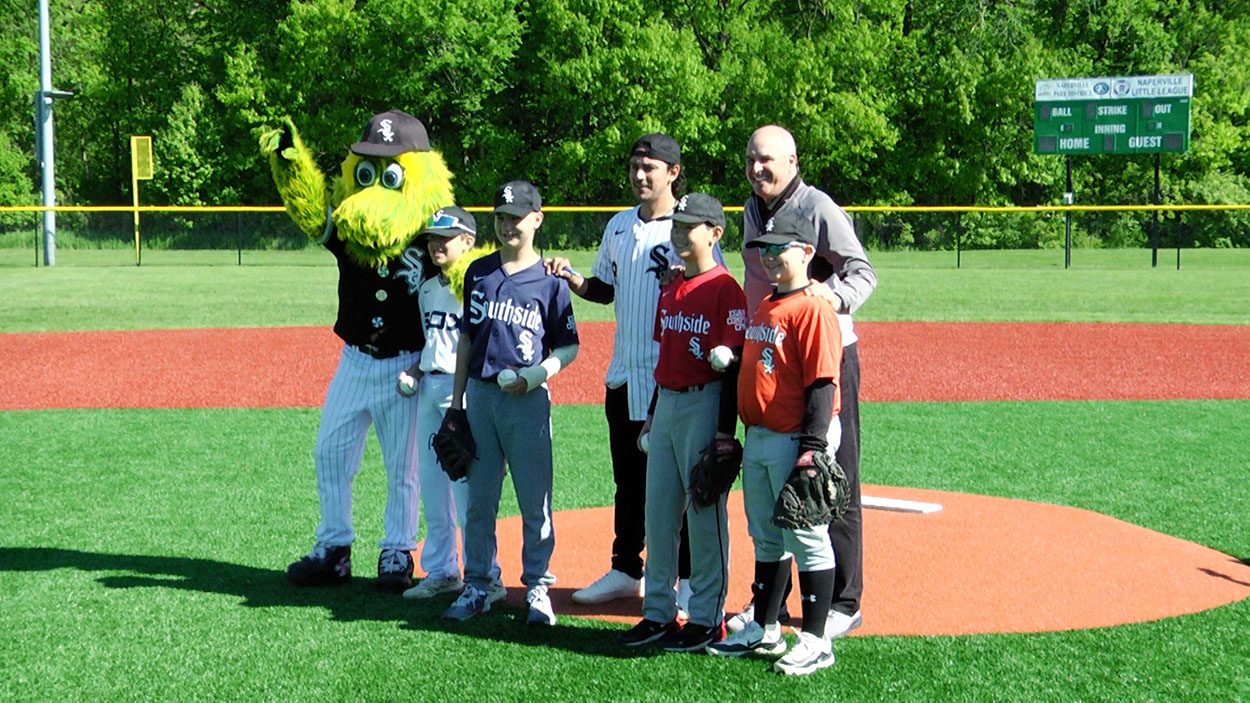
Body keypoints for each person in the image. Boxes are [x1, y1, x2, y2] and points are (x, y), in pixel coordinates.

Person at [282, 111, 451, 594]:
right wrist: (292, 168)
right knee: (330, 452)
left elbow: (464, 266)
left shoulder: (429, 239)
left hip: (406, 365)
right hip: (355, 361)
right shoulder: (350, 233)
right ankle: (334, 547)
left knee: (403, 466)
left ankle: (397, 550)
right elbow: (314, 216)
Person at [727, 124, 877, 638]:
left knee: (830, 478)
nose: (757, 168)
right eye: (750, 159)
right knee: (773, 482)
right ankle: (772, 605)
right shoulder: (750, 209)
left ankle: (845, 601)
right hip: (771, 349)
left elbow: (862, 271)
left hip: (823, 349)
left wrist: (821, 301)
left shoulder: (817, 207)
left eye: (767, 159)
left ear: (793, 160)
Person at [547, 133, 697, 610]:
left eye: (651, 167)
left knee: (677, 482)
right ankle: (625, 567)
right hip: (624, 374)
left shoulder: (687, 225)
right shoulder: (617, 225)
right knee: (628, 480)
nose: (640, 175)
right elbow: (605, 289)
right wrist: (574, 280)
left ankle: (688, 579)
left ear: (673, 172)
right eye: (635, 165)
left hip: (669, 378)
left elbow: (708, 284)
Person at [707, 208, 842, 675]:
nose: (769, 257)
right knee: (766, 537)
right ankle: (765, 629)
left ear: (806, 252)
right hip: (761, 434)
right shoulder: (767, 303)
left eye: (778, 248)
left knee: (806, 536)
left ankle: (816, 638)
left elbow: (823, 383)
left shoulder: (814, 309)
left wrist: (813, 448)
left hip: (793, 438)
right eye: (763, 249)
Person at [441, 181, 579, 626]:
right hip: (481, 398)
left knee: (534, 501)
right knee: (479, 501)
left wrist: (537, 375)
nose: (506, 225)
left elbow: (568, 346)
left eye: (516, 217)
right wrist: (456, 403)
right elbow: (465, 340)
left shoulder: (552, 283)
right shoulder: (478, 272)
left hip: (527, 402)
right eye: (500, 217)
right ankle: (479, 584)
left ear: (537, 219)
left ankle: (537, 586)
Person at [617, 193, 747, 651]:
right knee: (659, 513)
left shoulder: (725, 288)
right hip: (669, 404)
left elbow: (732, 365)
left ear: (714, 232)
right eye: (675, 225)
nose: (677, 233)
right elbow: (665, 357)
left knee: (705, 511)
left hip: (704, 402)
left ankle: (709, 617)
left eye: (688, 226)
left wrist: (724, 434)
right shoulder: (671, 286)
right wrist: (652, 415)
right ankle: (658, 613)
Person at [394, 206, 505, 605]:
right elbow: (434, 343)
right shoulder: (426, 289)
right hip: (429, 392)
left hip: (465, 394)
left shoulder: (481, 287)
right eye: (432, 238)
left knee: (469, 490)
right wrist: (417, 372)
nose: (437, 244)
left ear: (469, 242)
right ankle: (442, 570)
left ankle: (488, 575)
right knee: (433, 484)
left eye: (446, 237)